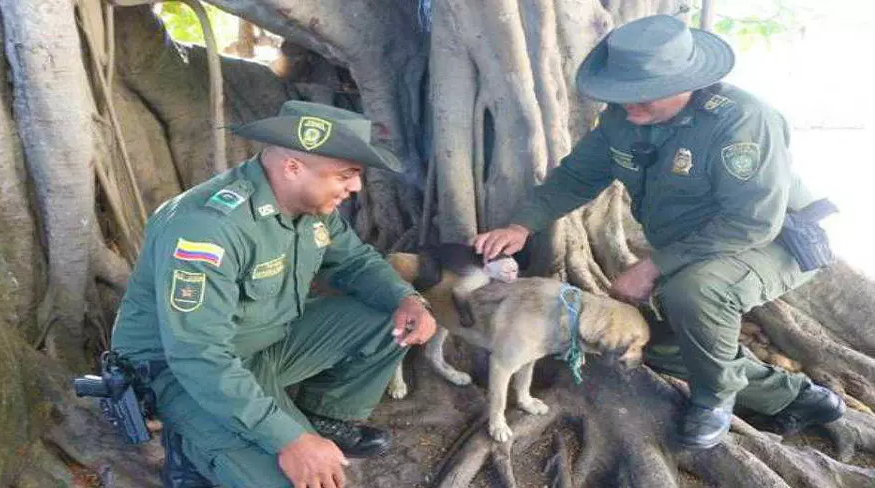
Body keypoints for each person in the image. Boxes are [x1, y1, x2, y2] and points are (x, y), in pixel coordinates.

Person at [472, 14, 844, 450]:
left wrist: (652, 267)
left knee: (697, 292)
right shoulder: (622, 119)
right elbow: (576, 178)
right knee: (651, 340)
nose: (630, 106)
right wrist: (522, 224)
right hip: (694, 248)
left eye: (643, 96)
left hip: (774, 241)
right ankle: (796, 398)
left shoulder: (741, 123)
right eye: (622, 93)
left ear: (686, 81)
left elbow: (751, 221)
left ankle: (713, 400)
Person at [110, 101, 437, 487]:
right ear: (293, 167)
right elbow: (198, 356)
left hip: (263, 347)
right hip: (183, 374)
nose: (356, 187)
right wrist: (290, 439)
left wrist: (408, 299)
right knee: (299, 481)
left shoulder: (310, 204)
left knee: (390, 317)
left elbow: (356, 262)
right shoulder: (207, 229)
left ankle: (320, 416)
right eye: (346, 175)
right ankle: (190, 444)